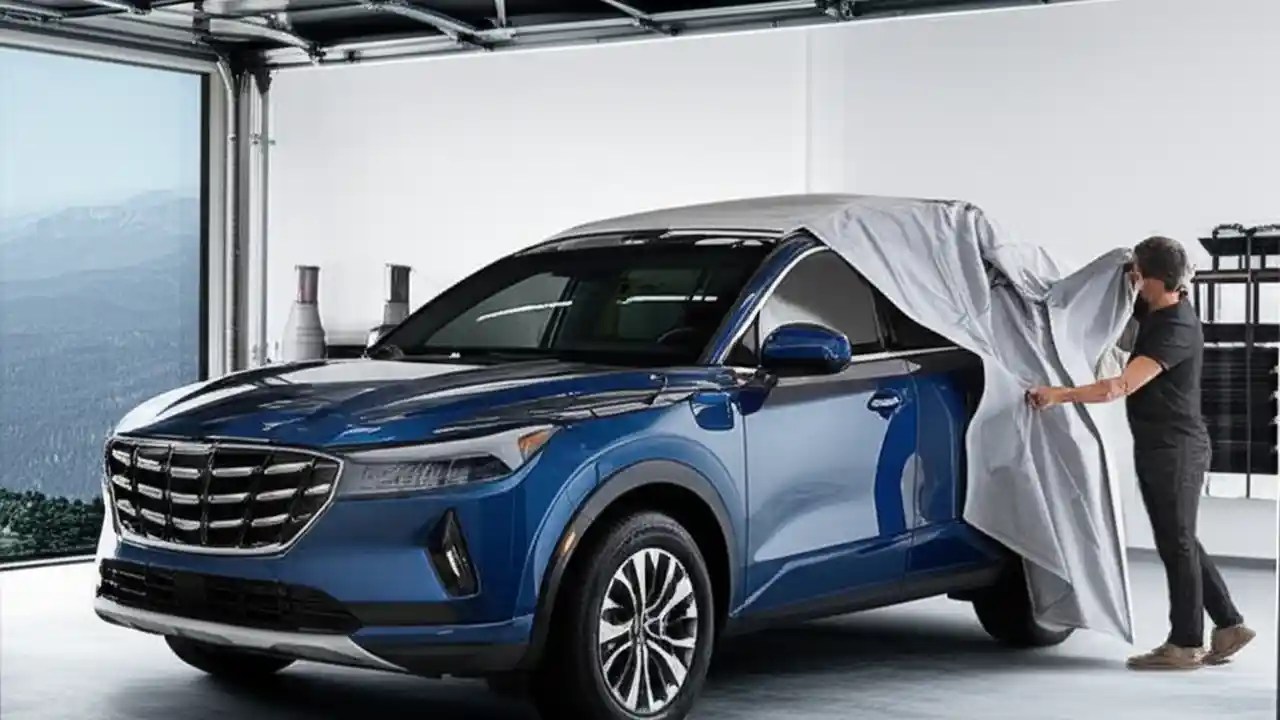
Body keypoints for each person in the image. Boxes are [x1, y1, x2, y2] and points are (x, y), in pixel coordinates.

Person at [1026, 235, 1255, 671]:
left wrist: (1059, 395)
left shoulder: (1175, 328)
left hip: (1176, 449)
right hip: (1161, 445)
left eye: (1139, 275)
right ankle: (1229, 625)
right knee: (1180, 538)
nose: (1134, 281)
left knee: (1177, 542)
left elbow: (1119, 386)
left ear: (1156, 280)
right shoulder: (1155, 309)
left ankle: (1185, 644)